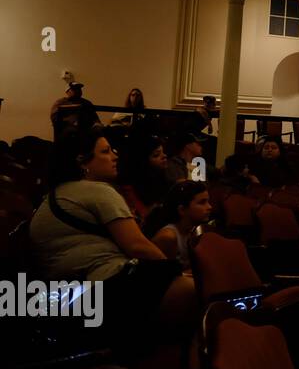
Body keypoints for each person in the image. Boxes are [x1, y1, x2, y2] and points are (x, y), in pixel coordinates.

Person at [26, 127, 198, 348]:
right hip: (103, 288)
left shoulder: (58, 193)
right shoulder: (96, 191)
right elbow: (138, 247)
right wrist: (172, 271)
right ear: (83, 161)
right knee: (198, 292)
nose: (115, 156)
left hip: (71, 292)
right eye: (106, 152)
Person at [144, 181, 211, 270]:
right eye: (202, 202)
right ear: (182, 210)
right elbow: (164, 276)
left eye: (208, 201)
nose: (209, 207)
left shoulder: (192, 231)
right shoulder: (168, 237)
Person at [118, 137, 170, 222]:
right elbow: (144, 215)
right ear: (143, 161)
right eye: (156, 155)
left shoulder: (160, 176)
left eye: (163, 152)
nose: (164, 156)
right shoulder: (129, 187)